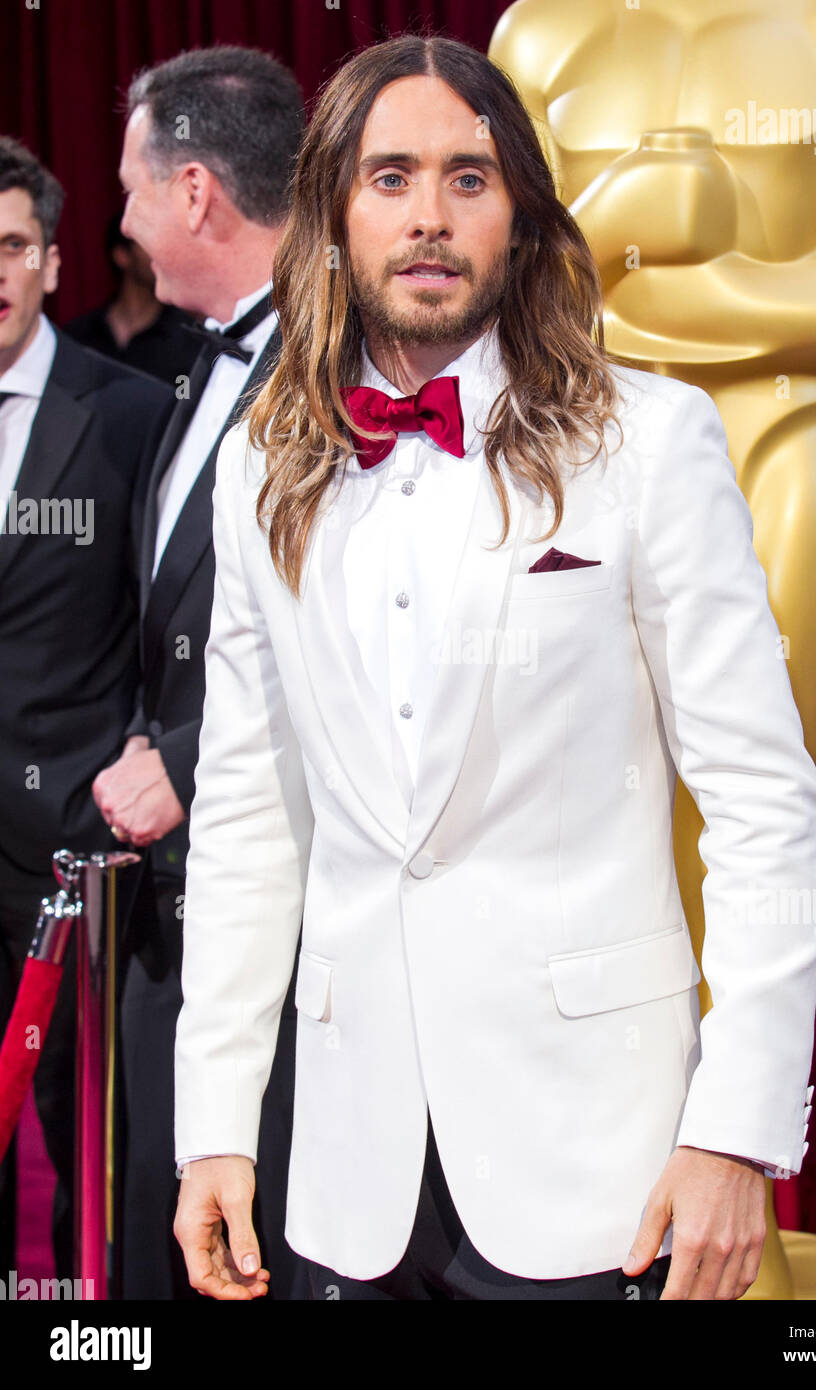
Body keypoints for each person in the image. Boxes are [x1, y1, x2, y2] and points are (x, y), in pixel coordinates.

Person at [172, 34, 816, 1302]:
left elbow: (760, 801)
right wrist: (215, 1122)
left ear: (519, 212)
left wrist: (735, 1127)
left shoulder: (648, 441)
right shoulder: (262, 465)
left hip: (602, 1170)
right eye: (390, 177)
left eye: (468, 178)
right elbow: (250, 816)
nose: (428, 216)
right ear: (330, 213)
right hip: (350, 1172)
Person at [90, 45, 307, 1300]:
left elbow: (333, 632)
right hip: (170, 913)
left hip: (272, 912)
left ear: (191, 193)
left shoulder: (334, 379)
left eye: (127, 189)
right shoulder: (202, 368)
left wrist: (178, 761)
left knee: (245, 1248)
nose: (118, 219)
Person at [0, 135, 171, 1277]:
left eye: (8, 246)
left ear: (54, 262)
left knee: (89, 1168)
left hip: (66, 865)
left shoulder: (128, 415)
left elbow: (169, 632)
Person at [64, 212, 199, 385]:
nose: (161, 253)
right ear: (122, 256)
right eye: (148, 242)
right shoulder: (78, 336)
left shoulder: (188, 338)